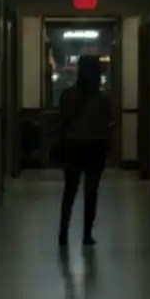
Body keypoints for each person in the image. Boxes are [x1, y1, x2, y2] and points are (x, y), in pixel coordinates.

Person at [57, 54, 114, 247]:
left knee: (69, 192)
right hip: (95, 146)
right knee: (91, 193)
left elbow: (61, 122)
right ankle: (87, 235)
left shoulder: (67, 95)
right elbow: (108, 124)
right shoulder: (103, 99)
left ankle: (63, 234)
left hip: (72, 145)